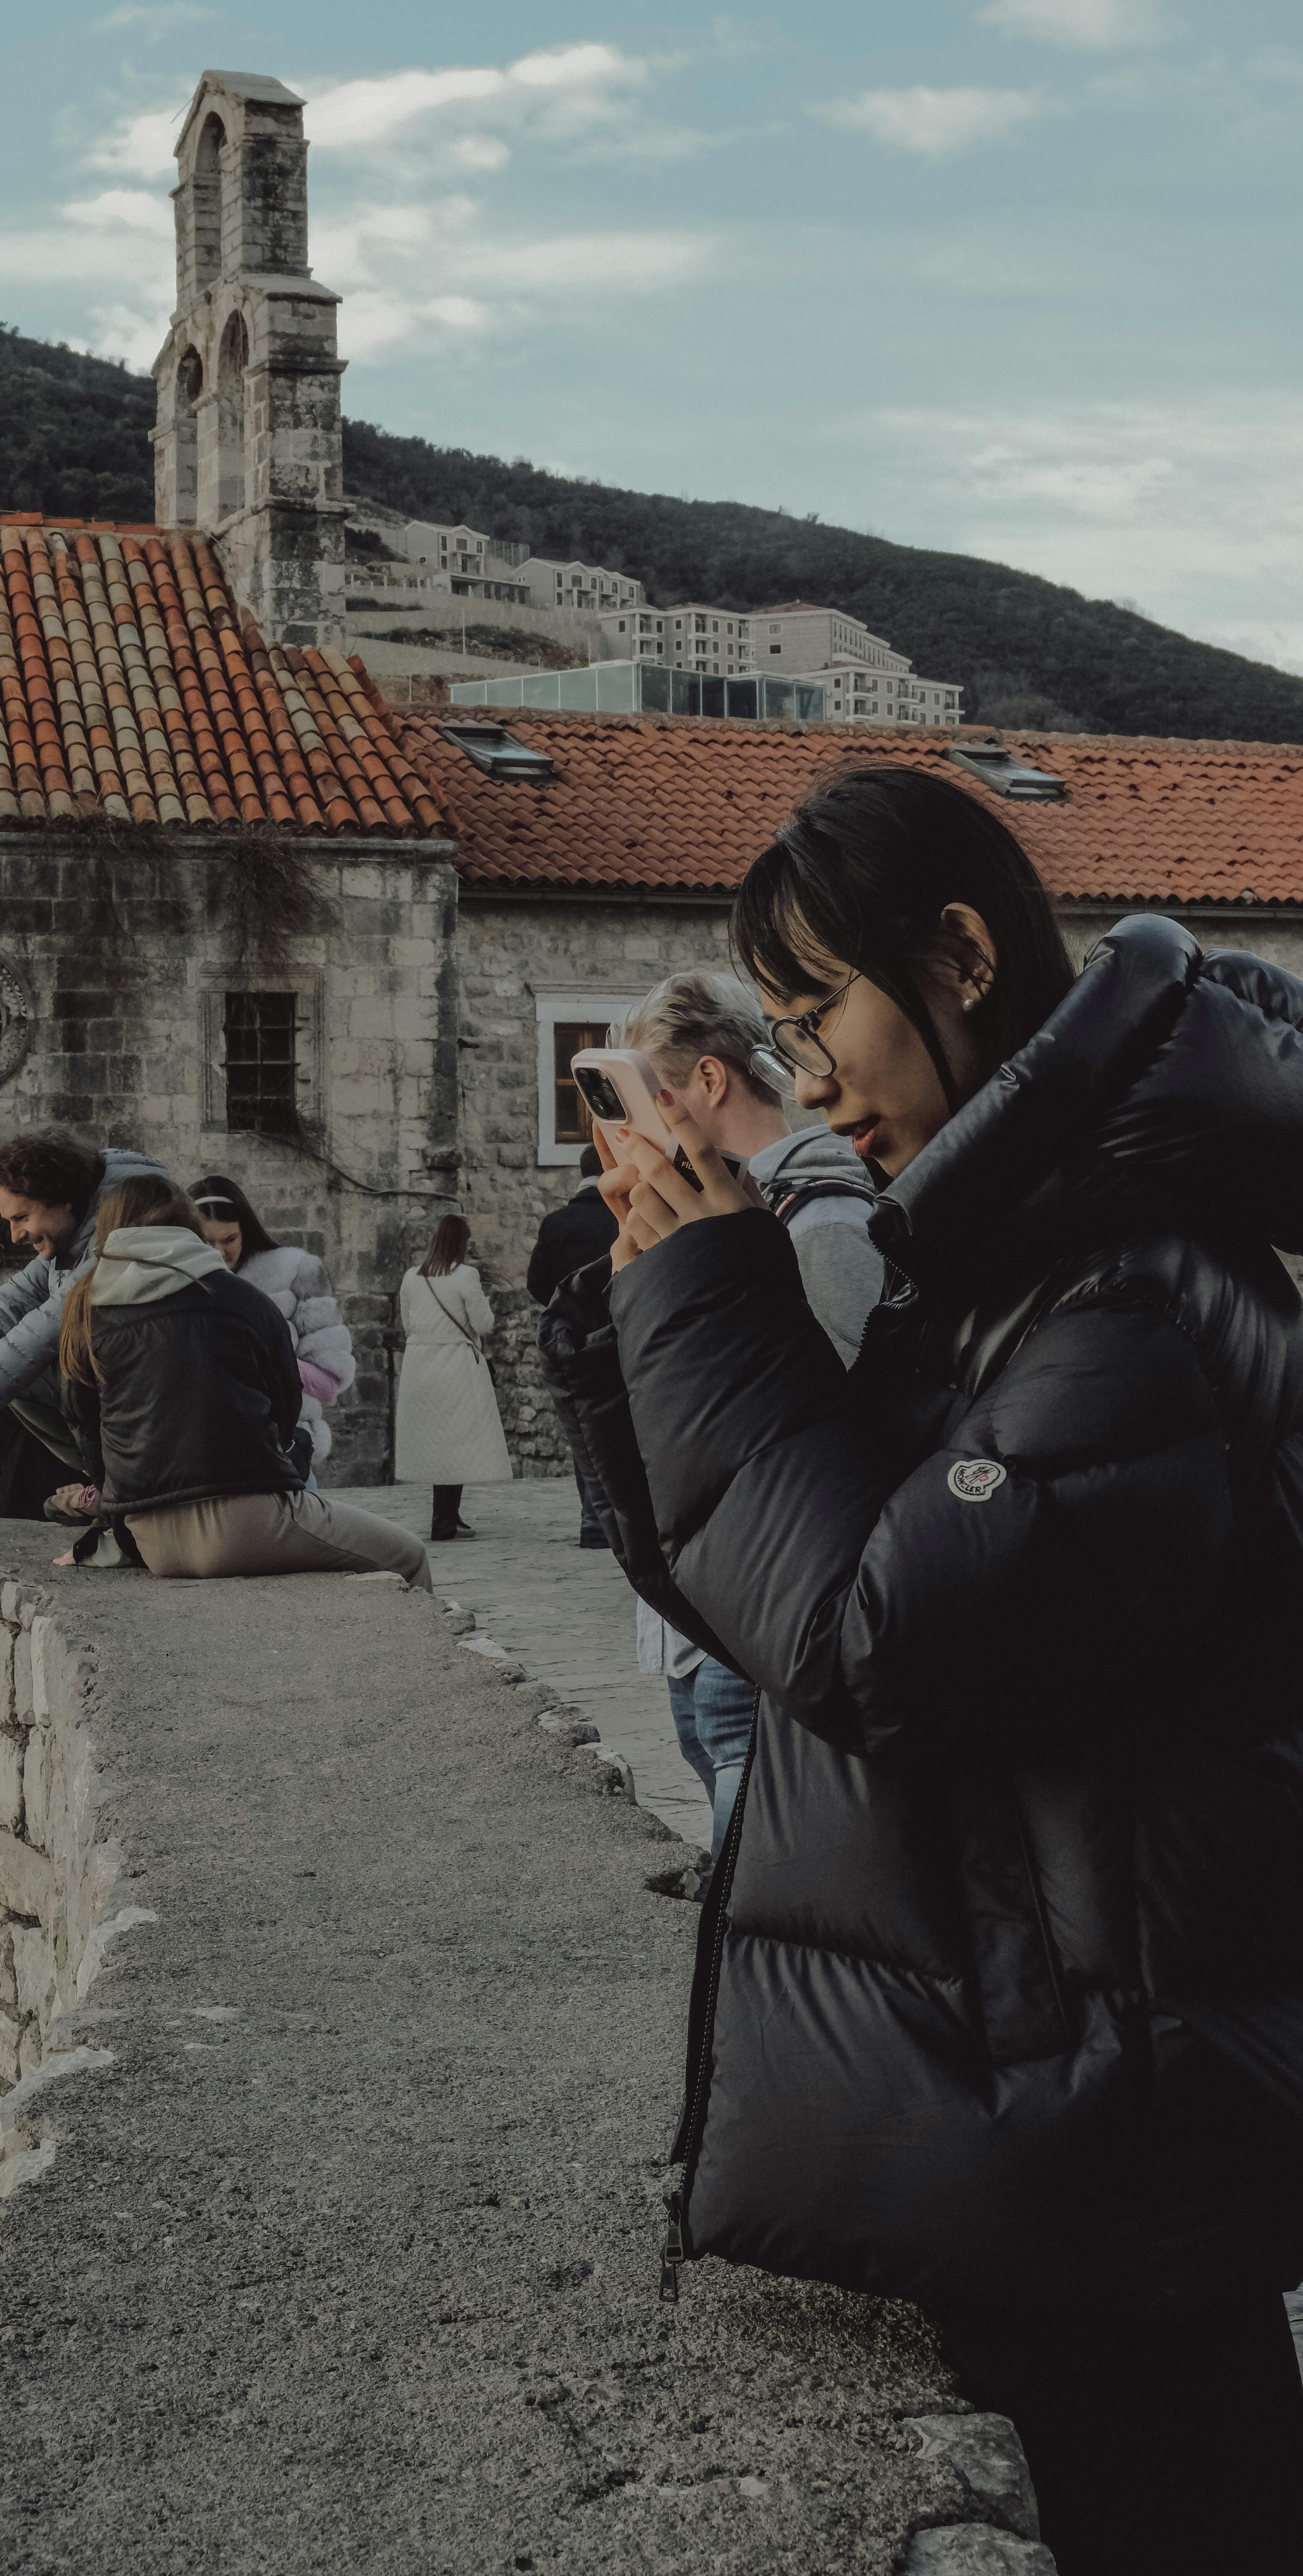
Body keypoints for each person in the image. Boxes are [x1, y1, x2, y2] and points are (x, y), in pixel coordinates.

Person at [542, 765, 1303, 2576]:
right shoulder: (997, 1257)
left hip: (1099, 2142)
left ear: (957, 956)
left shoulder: (1123, 1286)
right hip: (1034, 2100)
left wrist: (713, 1309)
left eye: (818, 1019)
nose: (807, 1082)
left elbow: (874, 1648)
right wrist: (644, 1322)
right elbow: (769, 1602)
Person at [614, 971, 885, 1849]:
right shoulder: (696, 1220)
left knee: (753, 1873)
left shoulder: (823, 1220)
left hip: (764, 1609)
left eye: (643, 1095)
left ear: (708, 1080)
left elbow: (851, 1415)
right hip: (699, 1612)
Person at [56, 1172, 429, 1587]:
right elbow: (286, 1404)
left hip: (152, 1537)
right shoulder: (242, 1298)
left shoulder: (87, 1309)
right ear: (189, 1228)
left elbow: (86, 1427)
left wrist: (116, 1525)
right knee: (408, 1556)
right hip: (248, 1521)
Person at [0, 1131, 168, 1519]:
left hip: (160, 1405)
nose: (14, 1236)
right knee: (14, 1372)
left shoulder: (125, 1232)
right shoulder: (72, 1240)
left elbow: (42, 1331)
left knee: (35, 1364)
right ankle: (110, 1483)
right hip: (134, 1397)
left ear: (65, 1199)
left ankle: (123, 1486)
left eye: (22, 1218)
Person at [187, 1176, 356, 1482]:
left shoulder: (295, 1272)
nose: (219, 1252)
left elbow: (329, 1383)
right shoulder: (177, 1282)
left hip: (281, 1451)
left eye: (230, 1240)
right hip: (201, 1455)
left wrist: (263, 1363)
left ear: (245, 1231)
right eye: (207, 1242)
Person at [394, 1215, 511, 1541]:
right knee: (456, 1439)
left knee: (437, 1442)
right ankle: (444, 1522)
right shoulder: (465, 1276)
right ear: (461, 1243)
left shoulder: (411, 1277)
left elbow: (408, 1324)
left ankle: (448, 1516)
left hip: (420, 1364)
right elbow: (484, 1324)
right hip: (456, 1363)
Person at [528, 1145, 619, 1547]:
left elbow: (536, 1283)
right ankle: (629, 1520)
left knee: (587, 1429)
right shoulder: (623, 1216)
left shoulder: (556, 1224)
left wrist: (567, 1306)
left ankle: (593, 1522)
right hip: (622, 1331)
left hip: (574, 1339)